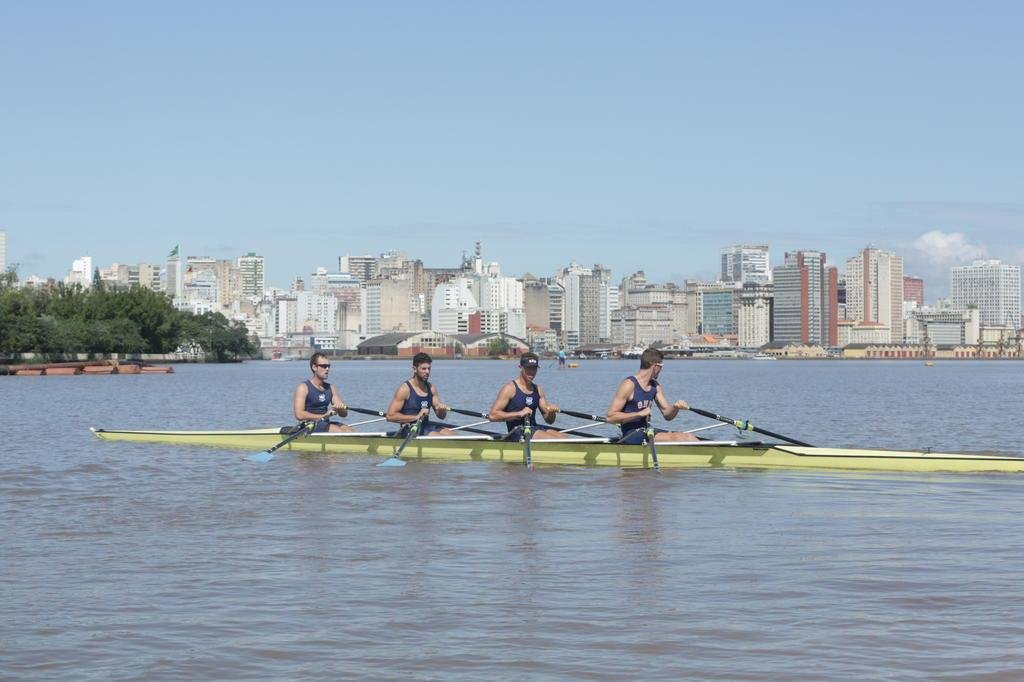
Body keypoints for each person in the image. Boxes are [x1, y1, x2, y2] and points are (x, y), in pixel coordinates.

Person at [605, 347, 698, 444]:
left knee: (687, 436)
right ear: (655, 366)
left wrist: (675, 407)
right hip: (631, 434)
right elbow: (610, 417)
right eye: (661, 365)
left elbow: (668, 415)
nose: (661, 369)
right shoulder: (629, 384)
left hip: (647, 430)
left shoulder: (655, 386)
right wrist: (639, 414)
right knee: (677, 438)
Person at [487, 352, 567, 441]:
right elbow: (492, 416)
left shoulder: (538, 389)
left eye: (534, 368)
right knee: (555, 440)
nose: (532, 372)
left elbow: (549, 421)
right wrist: (519, 413)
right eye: (528, 368)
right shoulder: (509, 389)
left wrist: (552, 412)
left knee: (564, 438)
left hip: (533, 428)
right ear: (520, 367)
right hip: (517, 431)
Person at [386, 352, 458, 437]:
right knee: (441, 438)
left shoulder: (431, 388)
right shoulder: (404, 389)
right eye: (423, 369)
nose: (427, 372)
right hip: (410, 429)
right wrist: (417, 417)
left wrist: (442, 410)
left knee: (453, 435)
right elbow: (390, 416)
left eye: (429, 368)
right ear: (414, 369)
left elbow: (441, 417)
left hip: (426, 426)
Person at [293, 353, 353, 433]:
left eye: (328, 366)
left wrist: (341, 408)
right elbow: (299, 415)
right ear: (314, 367)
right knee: (340, 432)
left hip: (324, 423)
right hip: (308, 425)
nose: (327, 369)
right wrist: (324, 416)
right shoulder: (303, 387)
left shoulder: (331, 388)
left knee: (350, 430)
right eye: (324, 366)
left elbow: (344, 415)